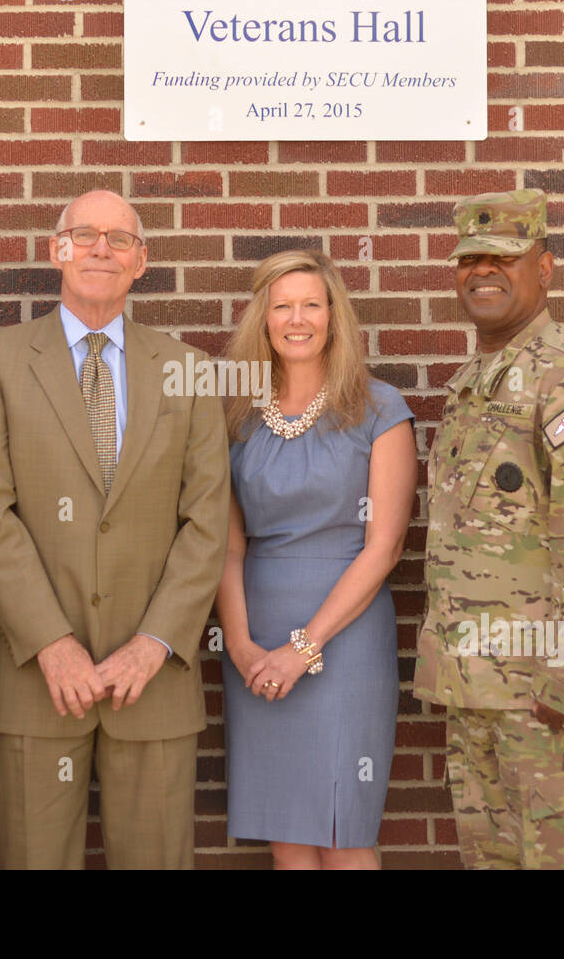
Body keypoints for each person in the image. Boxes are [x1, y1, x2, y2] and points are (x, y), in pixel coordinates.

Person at [0, 189, 230, 870]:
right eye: (84, 234)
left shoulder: (188, 369)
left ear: (143, 261)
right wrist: (52, 644)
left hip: (154, 681)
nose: (101, 248)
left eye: (119, 238)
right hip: (37, 682)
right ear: (58, 250)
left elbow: (206, 521)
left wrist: (155, 642)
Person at [415, 188, 564, 869]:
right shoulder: (474, 385)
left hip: (556, 702)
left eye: (504, 258)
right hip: (483, 692)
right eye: (469, 259)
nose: (482, 271)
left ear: (543, 268)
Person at [217, 249, 418, 870]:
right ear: (263, 319)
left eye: (311, 304)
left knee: (343, 830)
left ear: (335, 317)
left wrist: (305, 649)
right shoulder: (235, 415)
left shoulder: (380, 409)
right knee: (288, 832)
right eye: (281, 306)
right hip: (257, 628)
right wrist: (243, 644)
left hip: (346, 636)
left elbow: (383, 546)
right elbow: (227, 544)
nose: (296, 319)